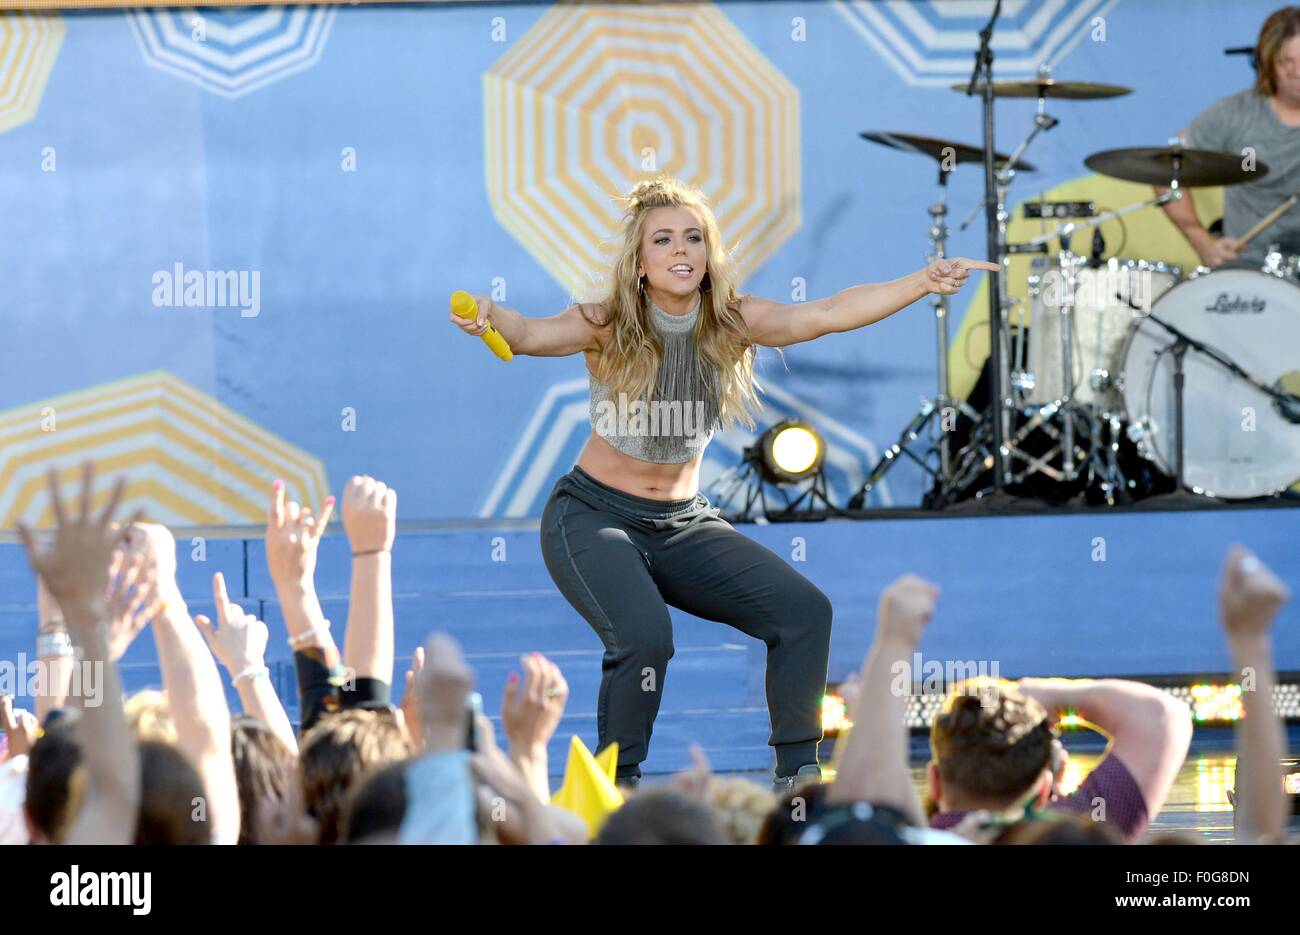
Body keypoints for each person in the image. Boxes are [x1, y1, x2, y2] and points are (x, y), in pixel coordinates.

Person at [452, 176, 995, 789]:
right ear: (639, 262)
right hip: (592, 516)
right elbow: (525, 336)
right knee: (645, 637)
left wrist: (924, 280)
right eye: (664, 240)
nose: (682, 250)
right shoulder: (604, 323)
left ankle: (798, 777)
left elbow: (828, 314)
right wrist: (492, 316)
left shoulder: (733, 321)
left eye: (694, 238)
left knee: (803, 612)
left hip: (683, 524)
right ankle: (616, 787)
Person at [1160, 6, 1300, 268]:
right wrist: (1200, 240)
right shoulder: (1235, 114)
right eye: (1287, 62)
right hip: (1248, 274)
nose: (1298, 72)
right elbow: (1167, 169)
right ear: (1267, 62)